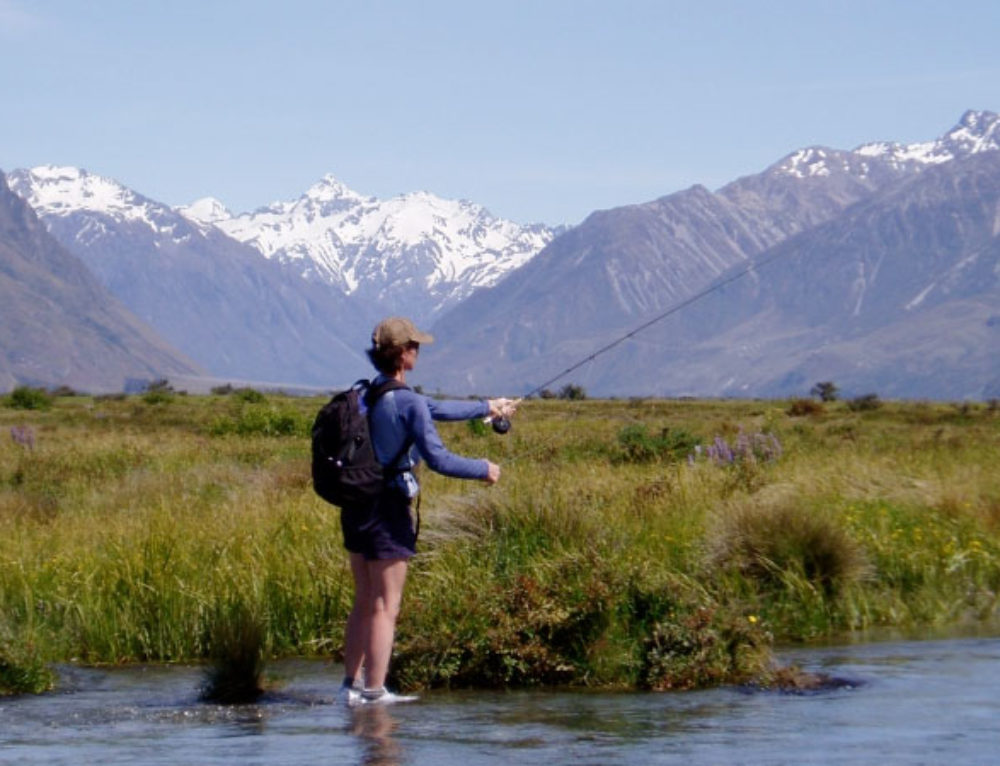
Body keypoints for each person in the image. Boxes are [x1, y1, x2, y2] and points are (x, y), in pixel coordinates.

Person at [338, 317, 516, 706]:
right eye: (415, 346)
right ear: (403, 353)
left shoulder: (366, 394)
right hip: (388, 509)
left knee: (365, 599)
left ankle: (349, 688)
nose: (419, 351)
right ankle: (375, 691)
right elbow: (437, 458)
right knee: (387, 605)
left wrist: (490, 406)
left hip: (355, 503)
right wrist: (483, 469)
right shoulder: (409, 402)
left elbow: (436, 408)